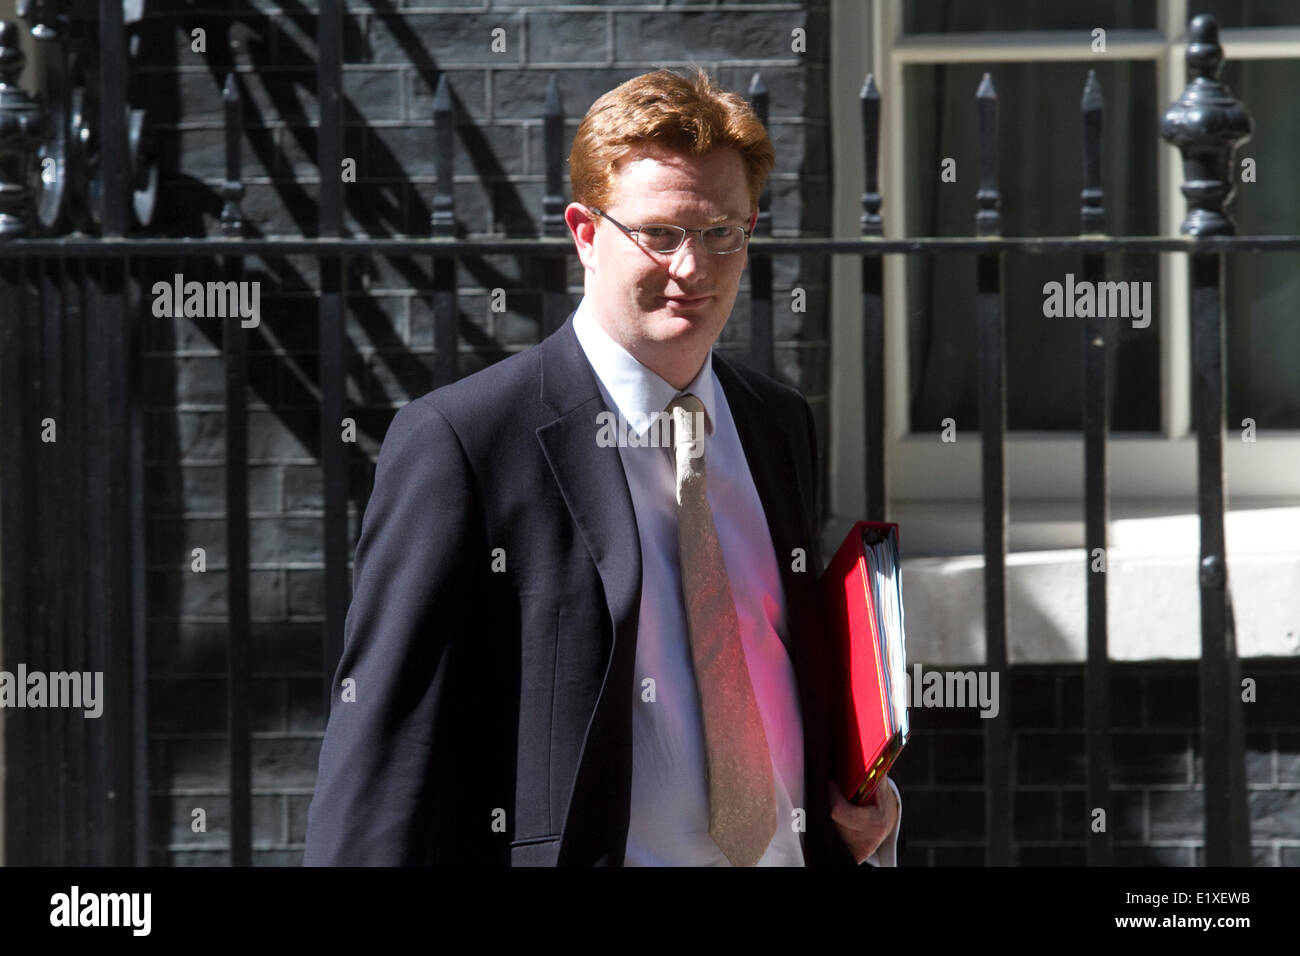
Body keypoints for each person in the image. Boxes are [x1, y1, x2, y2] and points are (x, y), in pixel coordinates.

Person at [304, 67, 901, 867]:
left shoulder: (776, 423)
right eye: (659, 234)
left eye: (722, 232)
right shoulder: (463, 441)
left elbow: (775, 668)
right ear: (585, 232)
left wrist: (852, 805)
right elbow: (383, 761)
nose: (693, 268)